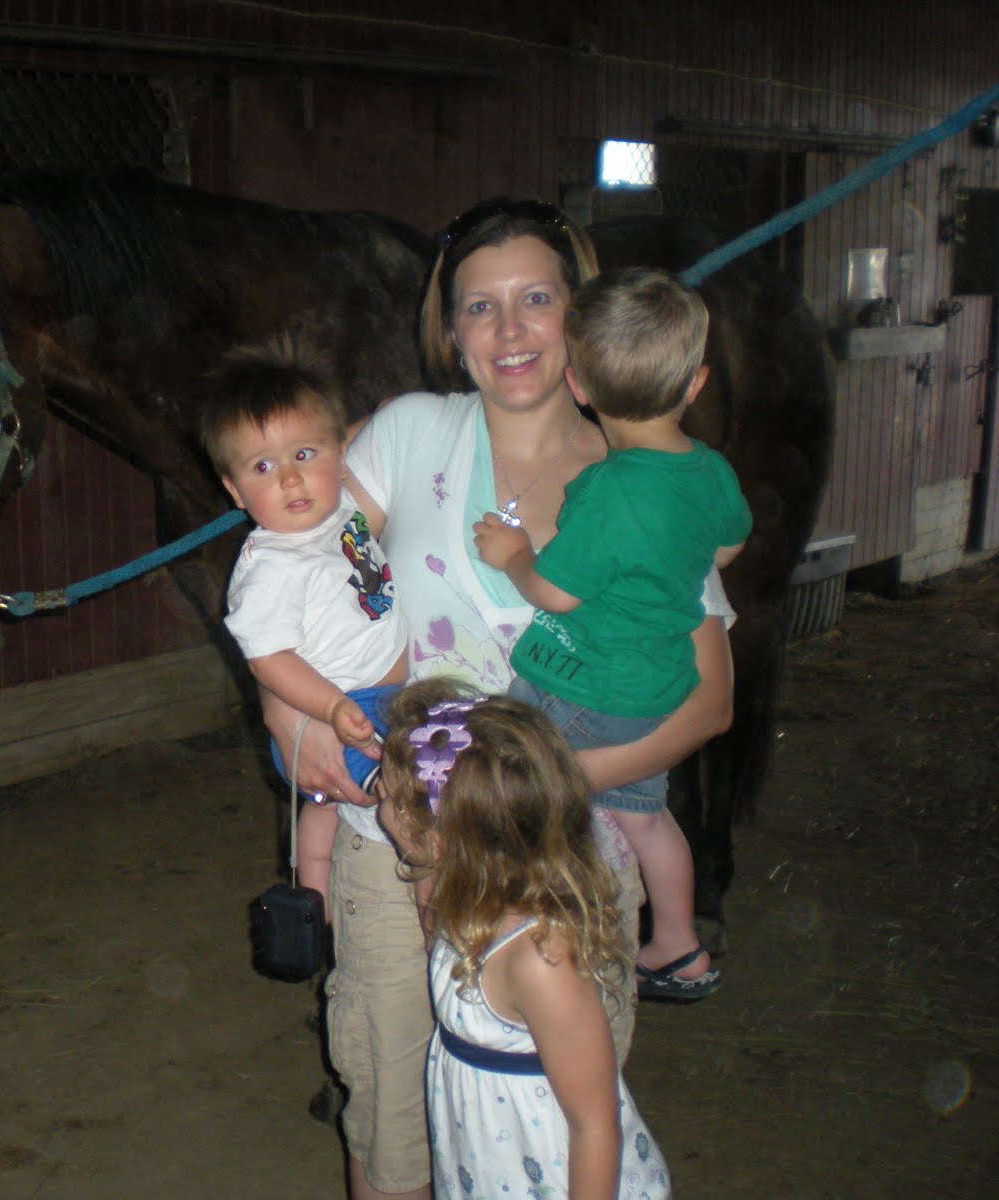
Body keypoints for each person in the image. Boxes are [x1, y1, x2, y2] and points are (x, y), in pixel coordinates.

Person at [258, 197, 734, 1200]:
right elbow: (302, 571)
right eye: (480, 308)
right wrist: (289, 711)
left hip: (570, 865)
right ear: (450, 329)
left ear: (583, 314)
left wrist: (541, 787)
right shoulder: (406, 437)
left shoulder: (645, 477)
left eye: (535, 300)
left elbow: (706, 708)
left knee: (547, 1134)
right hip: (397, 850)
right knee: (391, 1115)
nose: (509, 331)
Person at [473, 266, 750, 1003]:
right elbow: (727, 549)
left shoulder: (606, 488)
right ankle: (680, 944)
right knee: (644, 814)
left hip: (578, 683)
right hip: (655, 690)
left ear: (581, 388)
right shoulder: (713, 473)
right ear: (695, 383)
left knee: (512, 784)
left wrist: (512, 554)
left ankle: (530, 936)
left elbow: (556, 593)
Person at [376, 682, 672, 1200]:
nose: (380, 793)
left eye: (395, 794)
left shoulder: (542, 961)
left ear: (445, 836)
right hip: (492, 1166)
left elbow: (595, 1124)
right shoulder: (464, 901)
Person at [198, 335, 408, 914]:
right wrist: (332, 708)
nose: (290, 480)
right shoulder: (270, 566)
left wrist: (387, 413)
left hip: (383, 700)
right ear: (235, 490)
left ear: (340, 454)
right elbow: (268, 658)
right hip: (346, 708)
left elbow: (363, 427)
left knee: (321, 810)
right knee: (405, 799)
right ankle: (435, 903)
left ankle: (312, 906)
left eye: (304, 456)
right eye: (263, 467)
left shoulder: (336, 509)